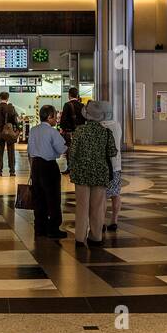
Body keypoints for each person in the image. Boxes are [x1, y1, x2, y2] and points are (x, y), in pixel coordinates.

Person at [69, 100, 117, 248]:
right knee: (97, 206)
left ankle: (79, 237)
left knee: (82, 207)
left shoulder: (79, 131)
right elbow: (112, 152)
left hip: (82, 174)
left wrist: (73, 167)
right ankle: (95, 237)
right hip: (100, 174)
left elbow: (72, 153)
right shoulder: (106, 132)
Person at [27, 105, 67, 239]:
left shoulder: (33, 130)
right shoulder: (52, 132)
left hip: (36, 165)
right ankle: (53, 228)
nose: (56, 119)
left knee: (38, 198)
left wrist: (31, 170)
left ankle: (39, 227)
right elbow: (62, 149)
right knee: (53, 198)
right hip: (49, 166)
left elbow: (30, 151)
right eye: (55, 116)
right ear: (49, 117)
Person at [0, 92, 20, 177]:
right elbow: (15, 121)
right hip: (10, 132)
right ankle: (12, 171)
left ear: (0, 98)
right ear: (7, 98)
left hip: (0, 132)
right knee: (11, 152)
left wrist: (0, 126)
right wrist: (18, 129)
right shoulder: (11, 108)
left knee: (0, 152)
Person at [105, 123, 123, 233]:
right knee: (115, 194)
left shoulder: (100, 126)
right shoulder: (117, 125)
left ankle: (100, 222)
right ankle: (114, 221)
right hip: (116, 164)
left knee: (101, 196)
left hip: (104, 166)